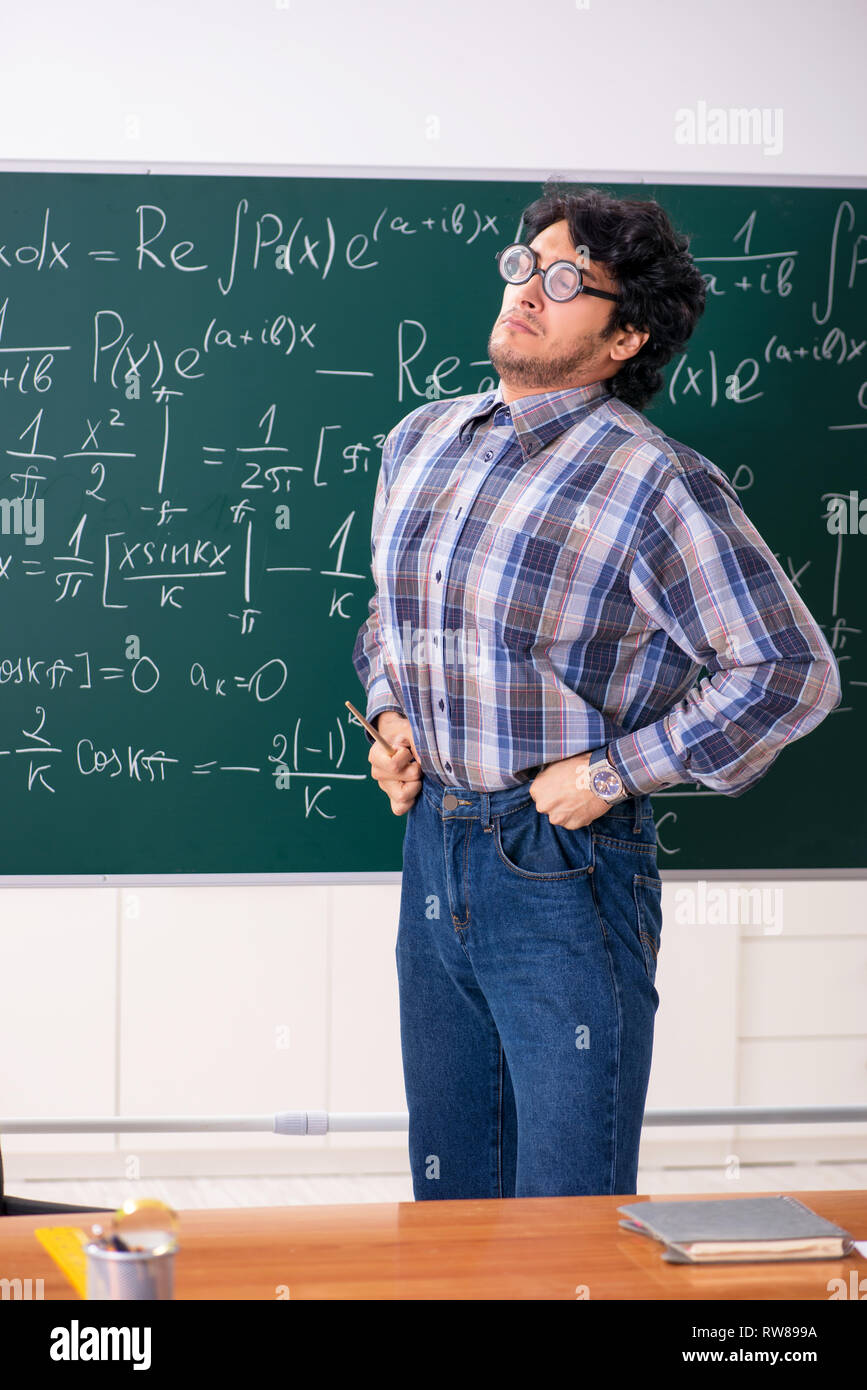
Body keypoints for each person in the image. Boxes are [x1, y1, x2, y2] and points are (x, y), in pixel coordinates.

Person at [351, 182, 841, 1200]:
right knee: (450, 1194)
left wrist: (613, 772)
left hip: (562, 867)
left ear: (627, 339)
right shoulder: (419, 440)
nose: (531, 286)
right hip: (432, 844)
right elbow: (389, 619)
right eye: (527, 262)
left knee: (567, 1209)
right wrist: (393, 710)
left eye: (569, 278)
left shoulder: (655, 482)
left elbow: (790, 672)